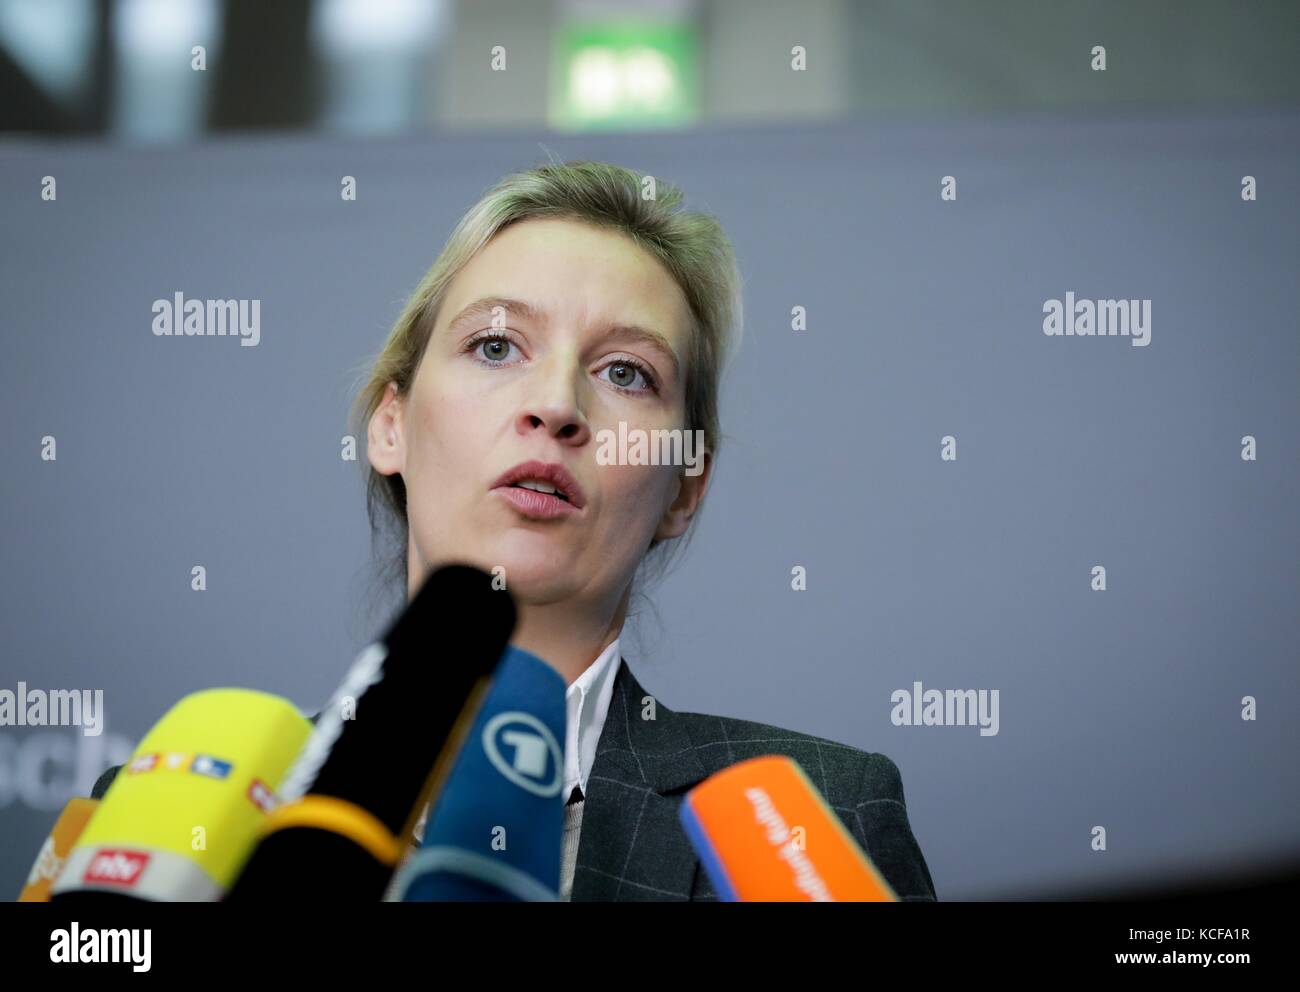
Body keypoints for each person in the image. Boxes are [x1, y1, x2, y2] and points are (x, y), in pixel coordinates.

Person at [95, 159, 937, 902]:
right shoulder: (150, 821)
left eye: (626, 373)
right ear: (391, 424)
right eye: (496, 346)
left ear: (686, 487)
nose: (558, 406)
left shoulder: (828, 817)